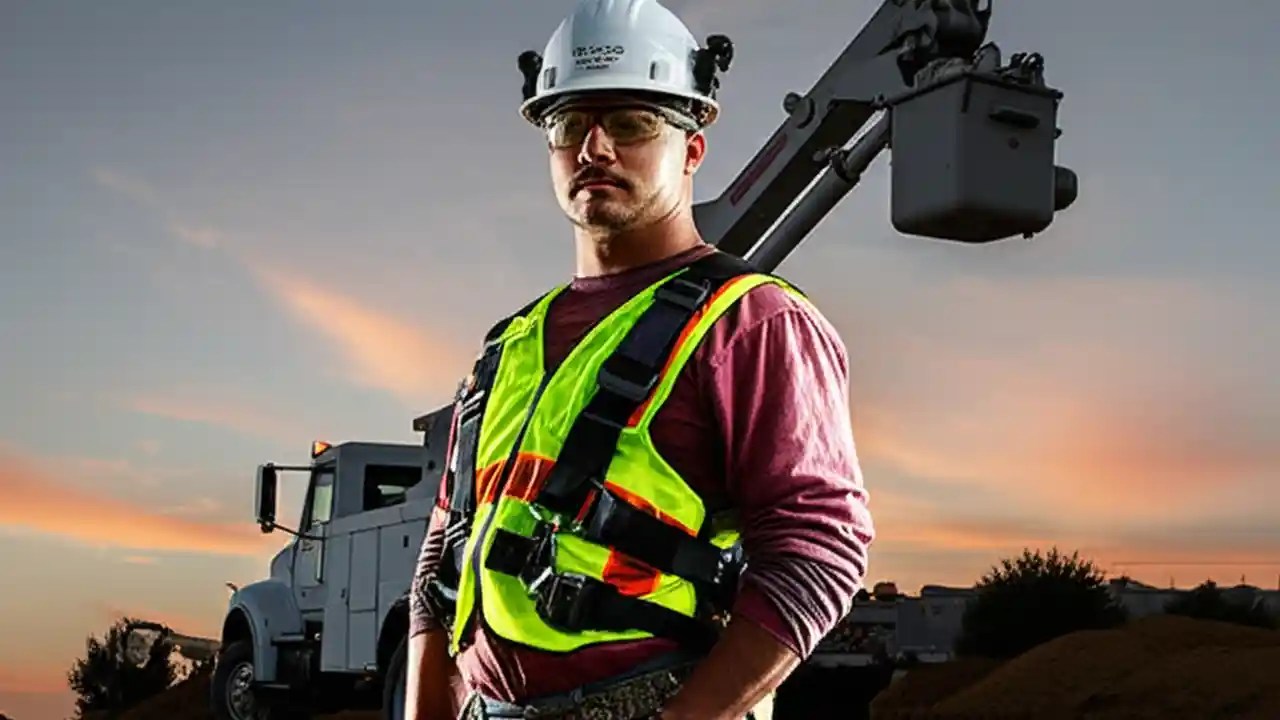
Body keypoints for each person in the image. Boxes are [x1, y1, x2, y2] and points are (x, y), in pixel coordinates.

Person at [405, 1, 875, 718]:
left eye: (631, 123)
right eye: (569, 124)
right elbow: (443, 555)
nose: (595, 148)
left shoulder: (752, 322)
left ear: (692, 149)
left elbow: (818, 554)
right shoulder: (508, 346)